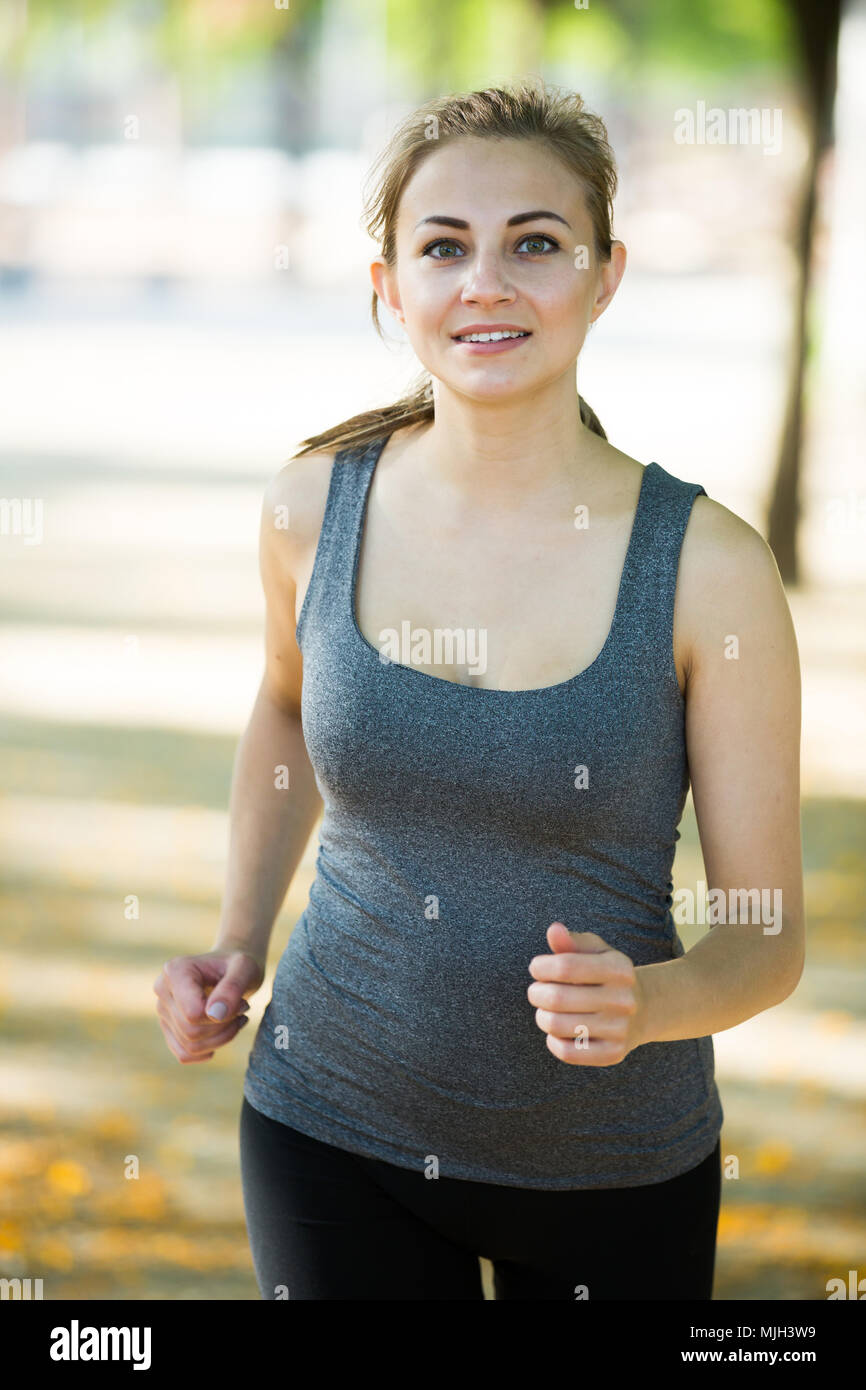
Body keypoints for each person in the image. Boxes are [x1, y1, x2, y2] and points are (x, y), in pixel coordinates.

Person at [153, 78, 805, 1301]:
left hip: (611, 1174)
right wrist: (234, 944)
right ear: (387, 285)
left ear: (603, 275)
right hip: (324, 1127)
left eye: (535, 245)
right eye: (442, 247)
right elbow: (288, 708)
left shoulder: (708, 570)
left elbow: (765, 941)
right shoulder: (311, 505)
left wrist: (648, 1004)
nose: (485, 284)